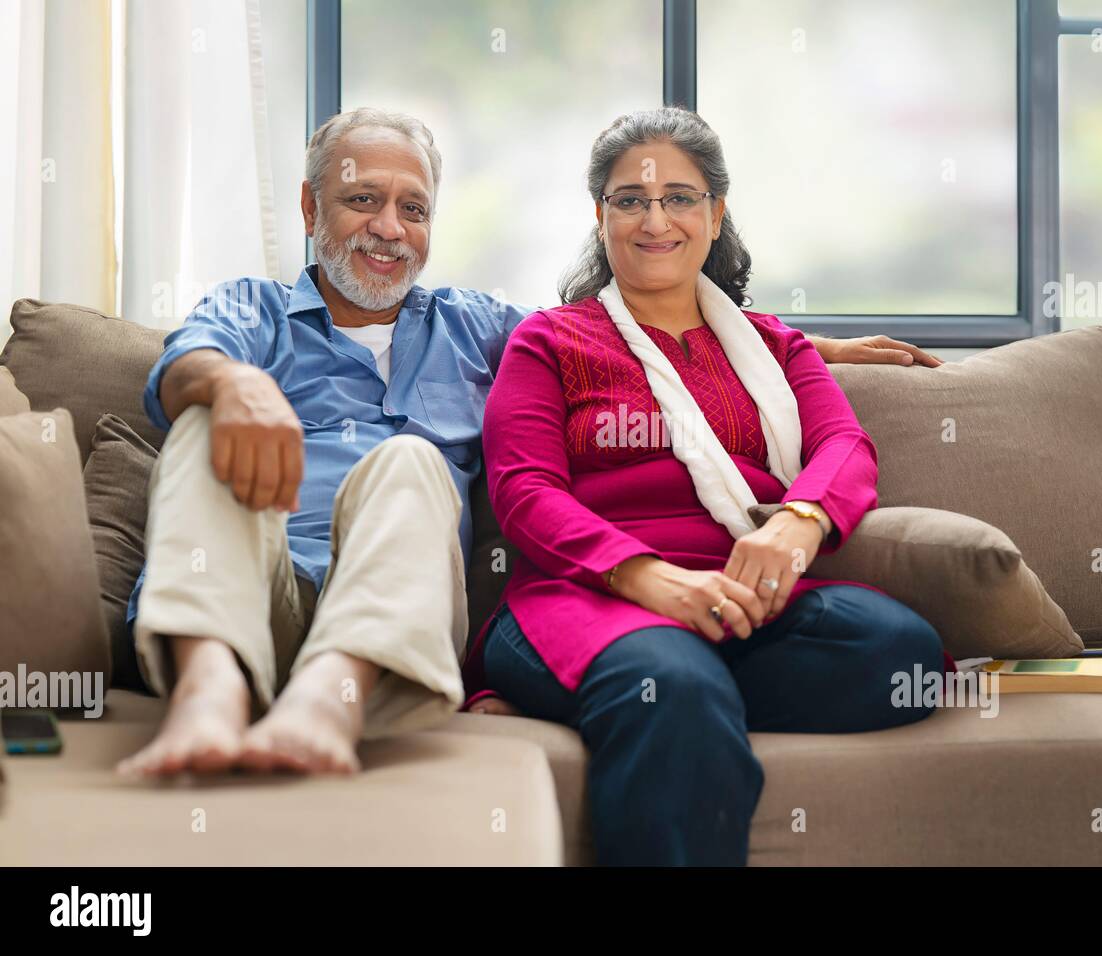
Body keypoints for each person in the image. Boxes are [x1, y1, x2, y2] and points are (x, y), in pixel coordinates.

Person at [118, 105, 938, 779]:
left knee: (409, 462)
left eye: (413, 208)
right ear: (309, 208)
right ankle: (206, 691)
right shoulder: (252, 312)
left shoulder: (476, 328)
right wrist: (233, 385)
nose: (389, 228)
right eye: (362, 199)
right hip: (255, 589)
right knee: (202, 419)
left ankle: (332, 705)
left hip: (391, 617)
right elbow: (179, 369)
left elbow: (639, 336)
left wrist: (800, 349)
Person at [461, 106, 952, 865]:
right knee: (670, 684)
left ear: (715, 215)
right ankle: (666, 695)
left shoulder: (774, 347)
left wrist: (799, 522)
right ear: (601, 218)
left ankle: (664, 699)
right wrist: (646, 578)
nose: (655, 219)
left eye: (680, 198)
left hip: (740, 595)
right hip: (585, 599)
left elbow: (844, 447)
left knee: (899, 651)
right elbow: (525, 492)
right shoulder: (550, 341)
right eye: (630, 200)